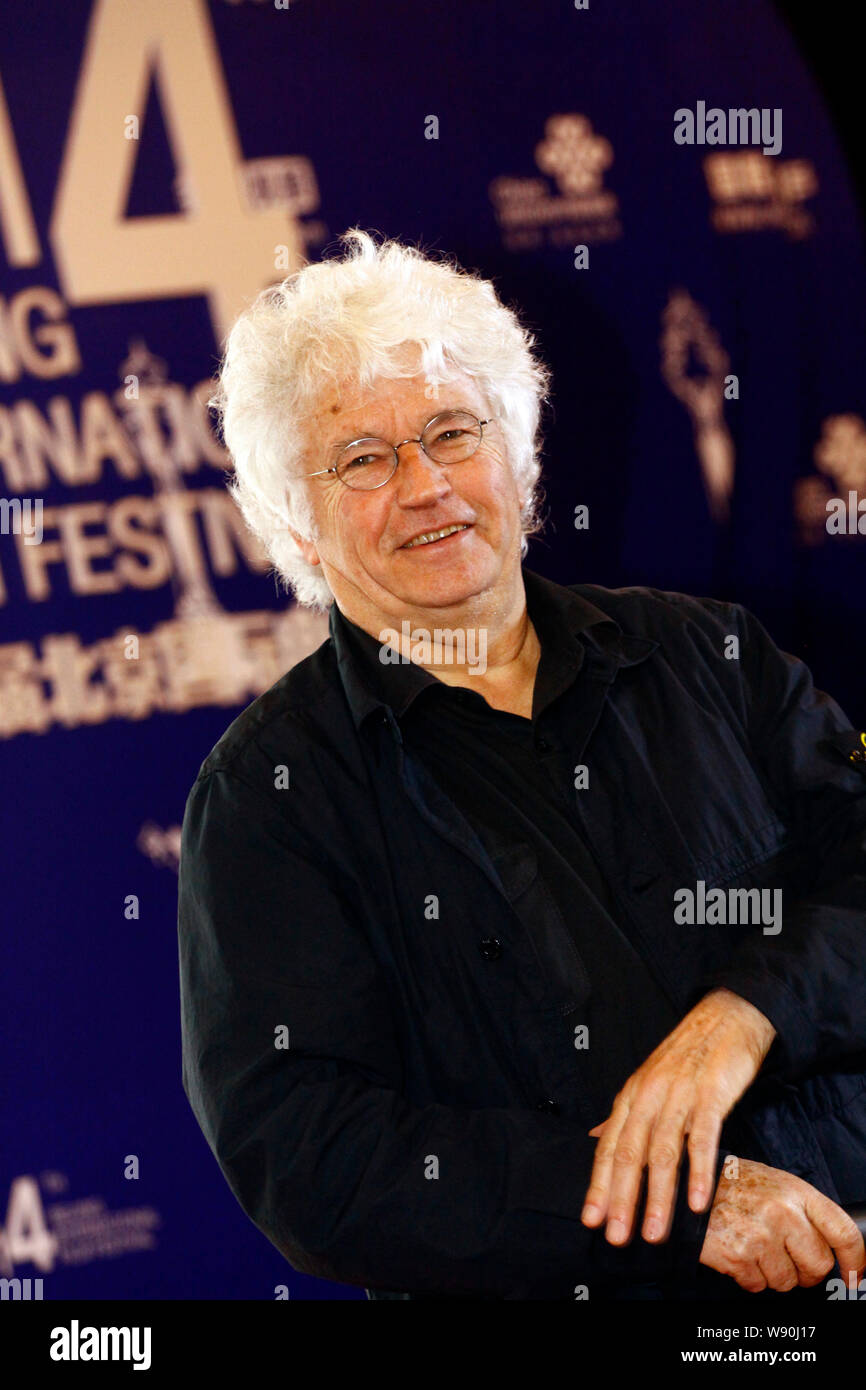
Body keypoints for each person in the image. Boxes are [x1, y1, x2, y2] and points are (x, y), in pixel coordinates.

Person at [177, 228, 866, 1301]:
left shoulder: (709, 656)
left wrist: (745, 1011)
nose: (424, 484)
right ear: (296, 526)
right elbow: (309, 1155)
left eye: (453, 431)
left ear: (519, 454)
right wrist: (676, 1208)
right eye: (363, 457)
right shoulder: (272, 799)